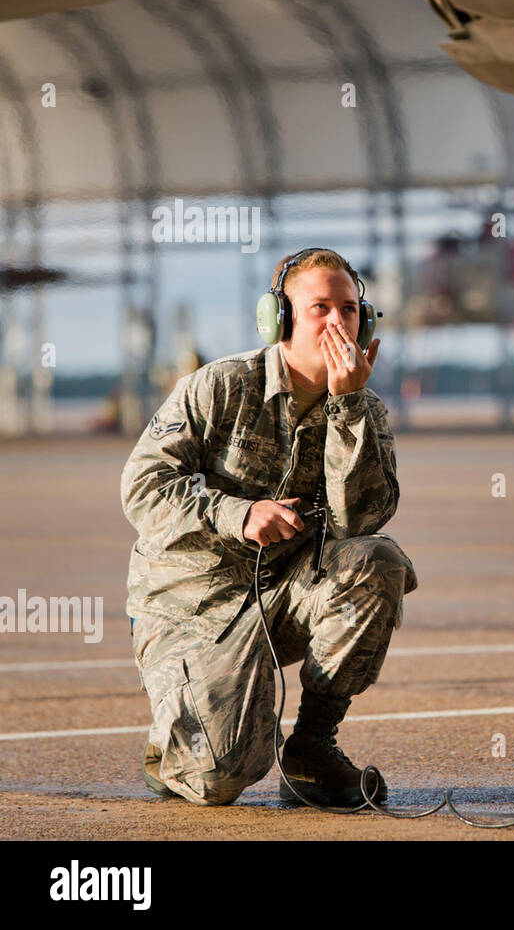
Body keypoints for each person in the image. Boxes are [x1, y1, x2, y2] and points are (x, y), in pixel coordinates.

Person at [121, 248, 417, 807]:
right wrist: (239, 514)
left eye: (350, 310)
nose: (338, 323)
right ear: (278, 318)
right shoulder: (220, 387)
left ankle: (311, 748)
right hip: (190, 606)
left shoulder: (366, 410)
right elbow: (143, 488)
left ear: (367, 320)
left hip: (283, 596)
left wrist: (347, 405)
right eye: (320, 308)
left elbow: (362, 521)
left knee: (378, 562)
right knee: (219, 778)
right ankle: (175, 739)